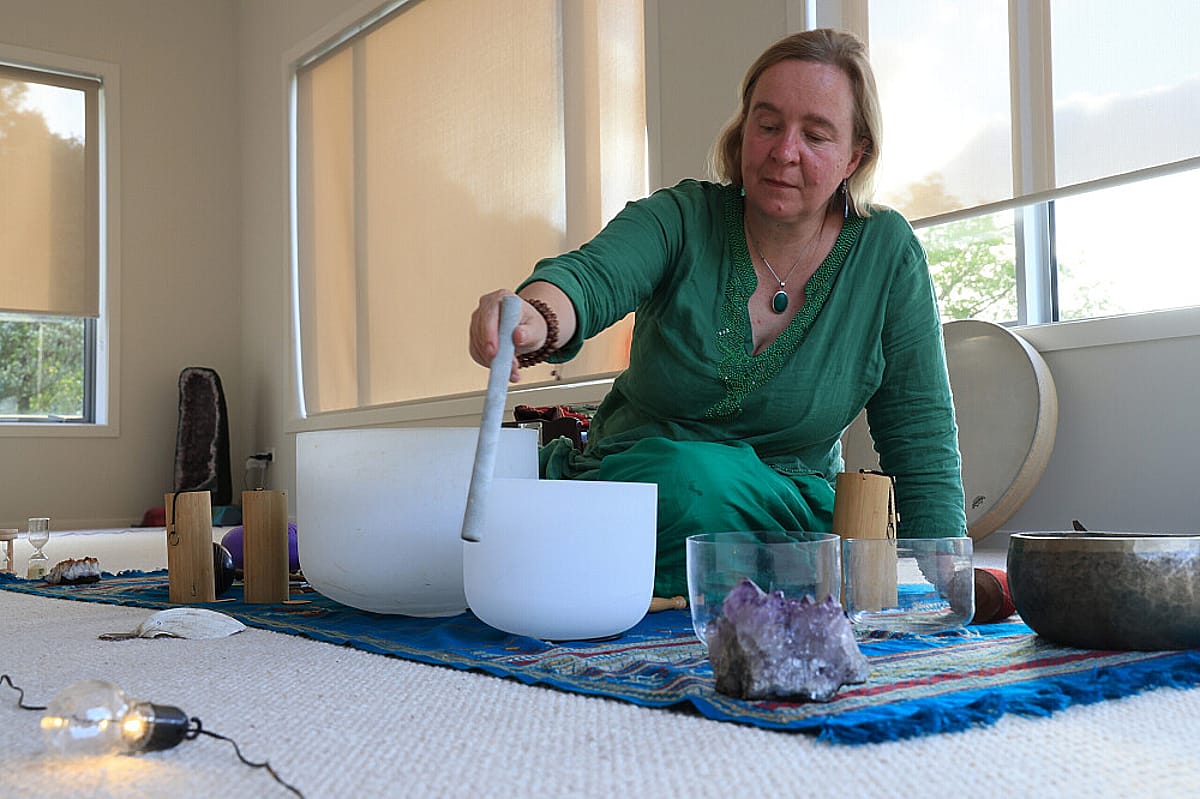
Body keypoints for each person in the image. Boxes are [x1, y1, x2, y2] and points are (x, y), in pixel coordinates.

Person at [469, 28, 966, 598]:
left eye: (816, 134)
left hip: (791, 504)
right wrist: (535, 316)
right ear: (742, 131)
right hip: (649, 484)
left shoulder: (887, 252)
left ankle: (662, 575)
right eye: (768, 124)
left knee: (841, 531)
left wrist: (945, 571)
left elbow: (918, 423)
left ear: (855, 155)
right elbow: (593, 275)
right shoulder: (680, 216)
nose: (784, 151)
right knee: (690, 483)